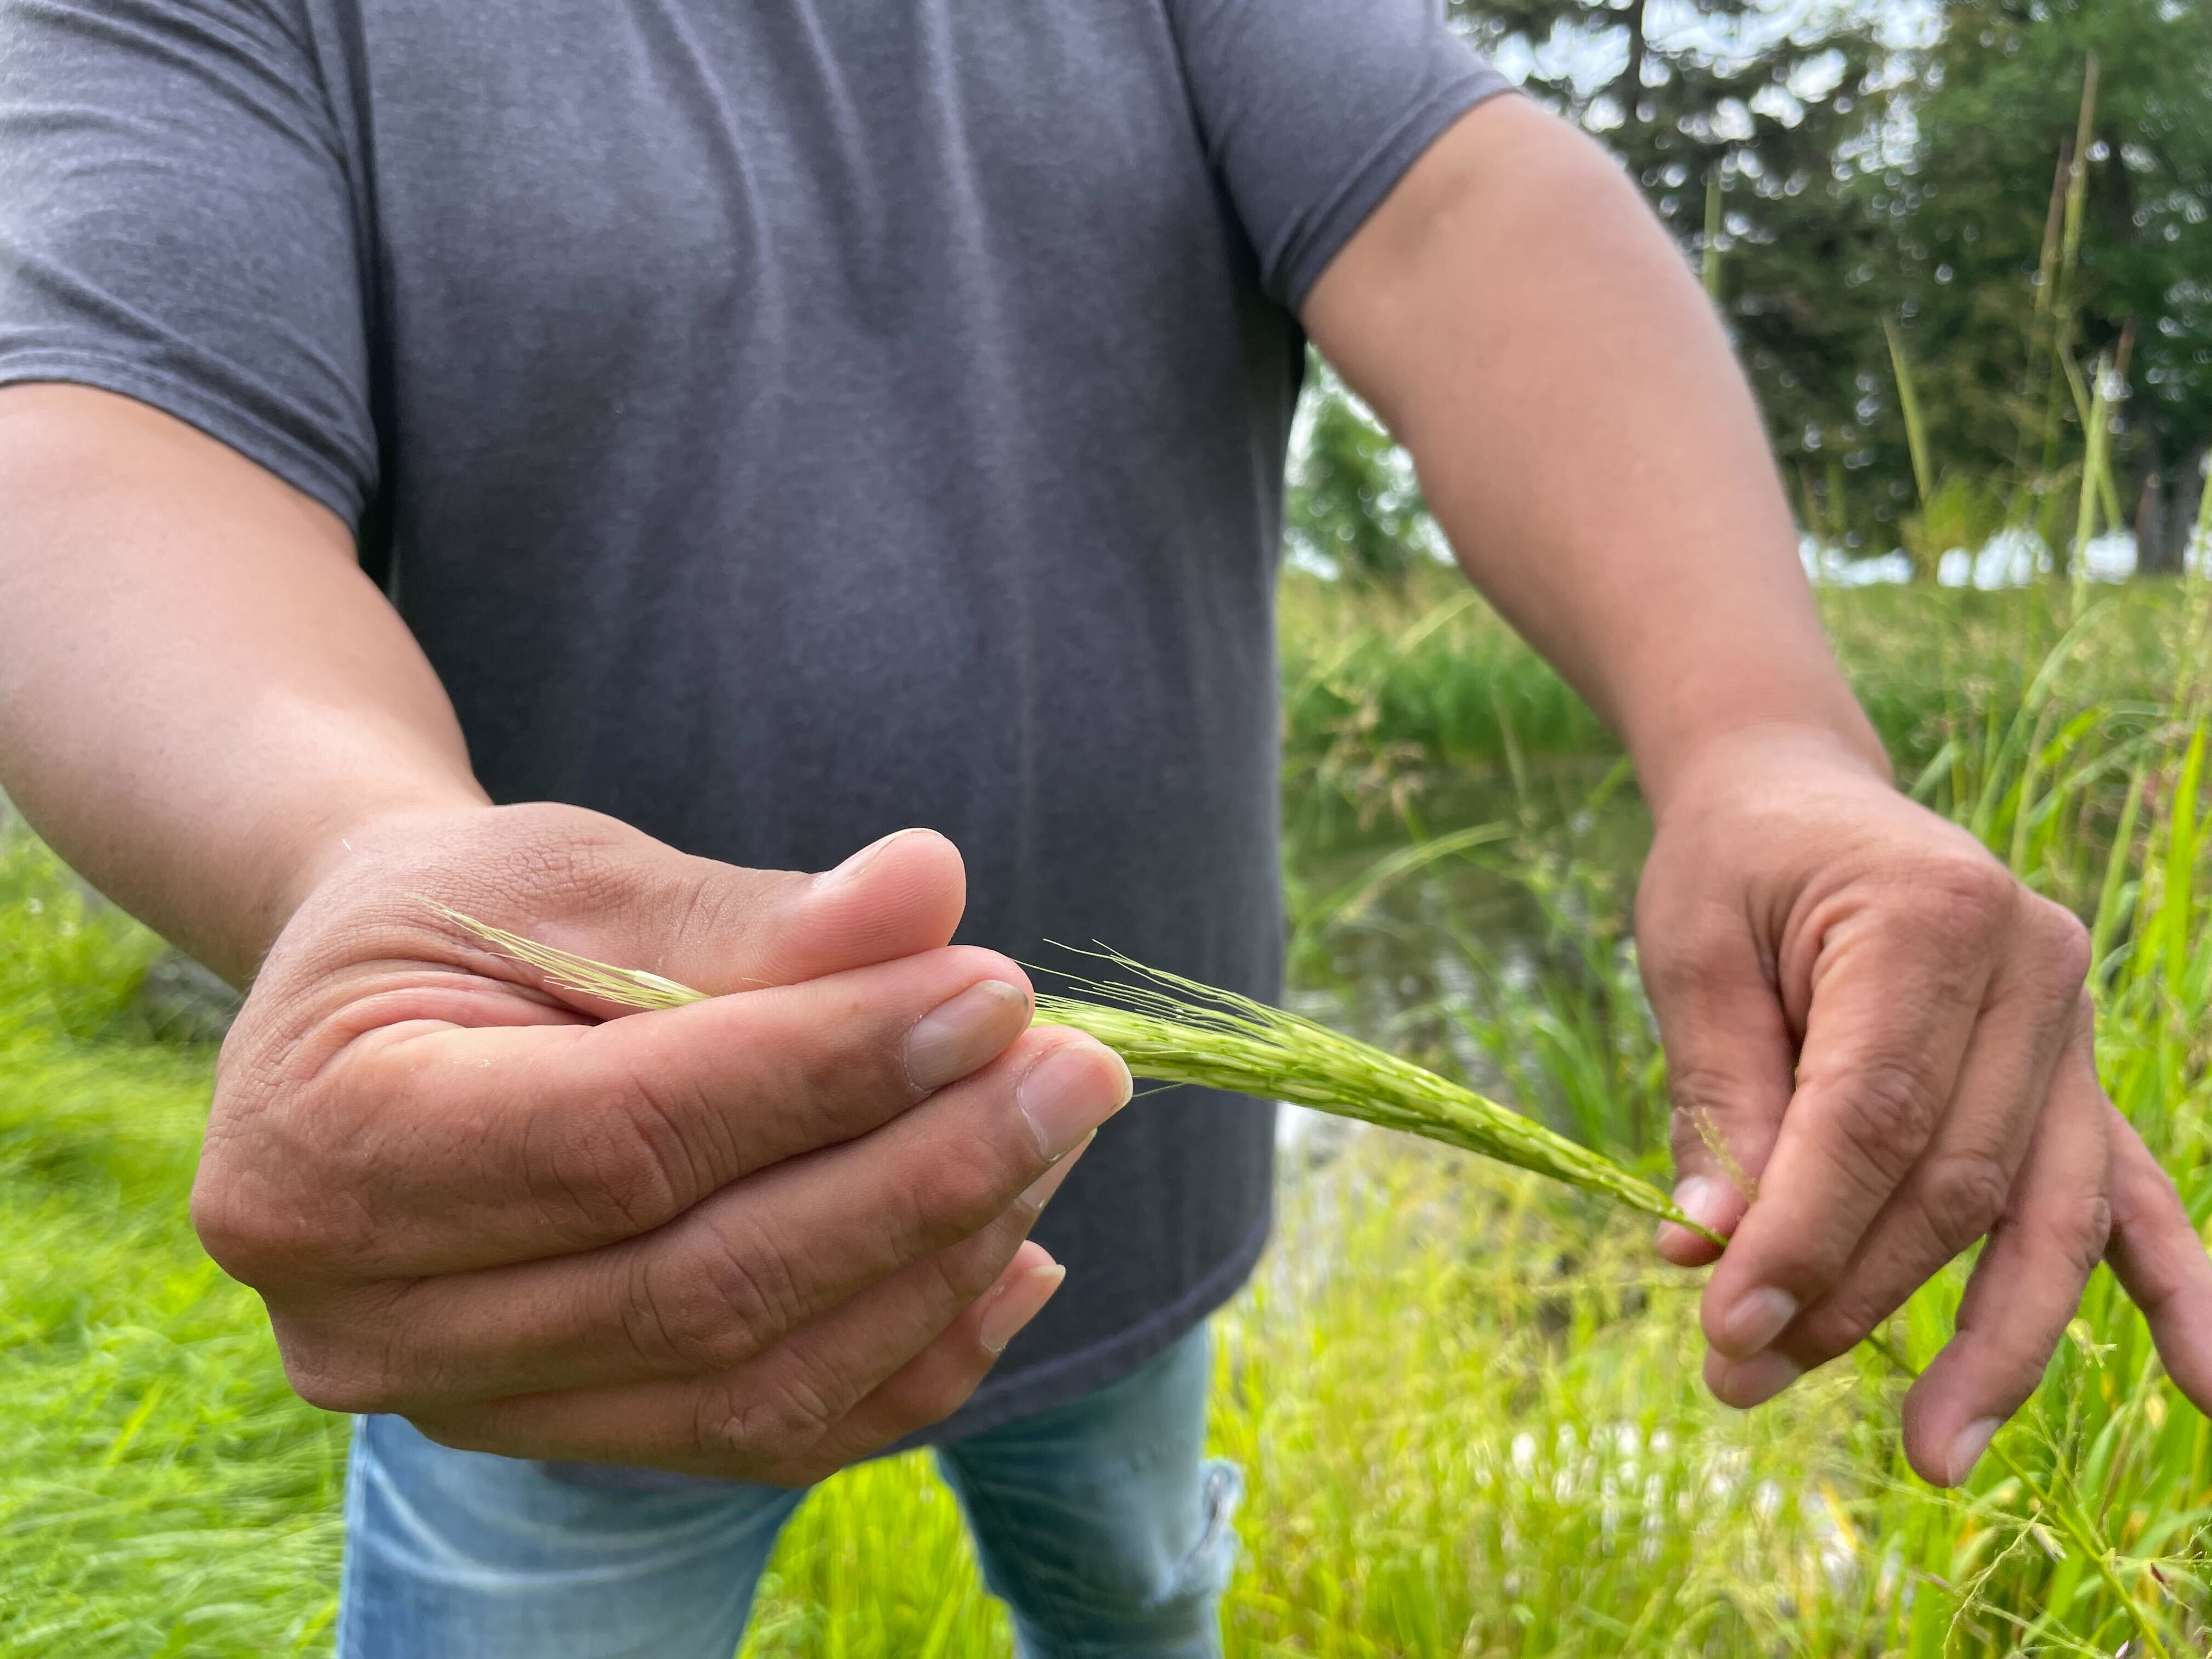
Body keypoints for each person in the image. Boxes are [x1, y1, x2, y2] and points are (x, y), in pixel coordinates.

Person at [2, 0, 2208, 1652]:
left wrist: (1763, 735)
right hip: (590, 1282)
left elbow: (1466, 205)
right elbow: (98, 425)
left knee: (1148, 1602)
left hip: (1142, 1235)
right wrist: (356, 853)